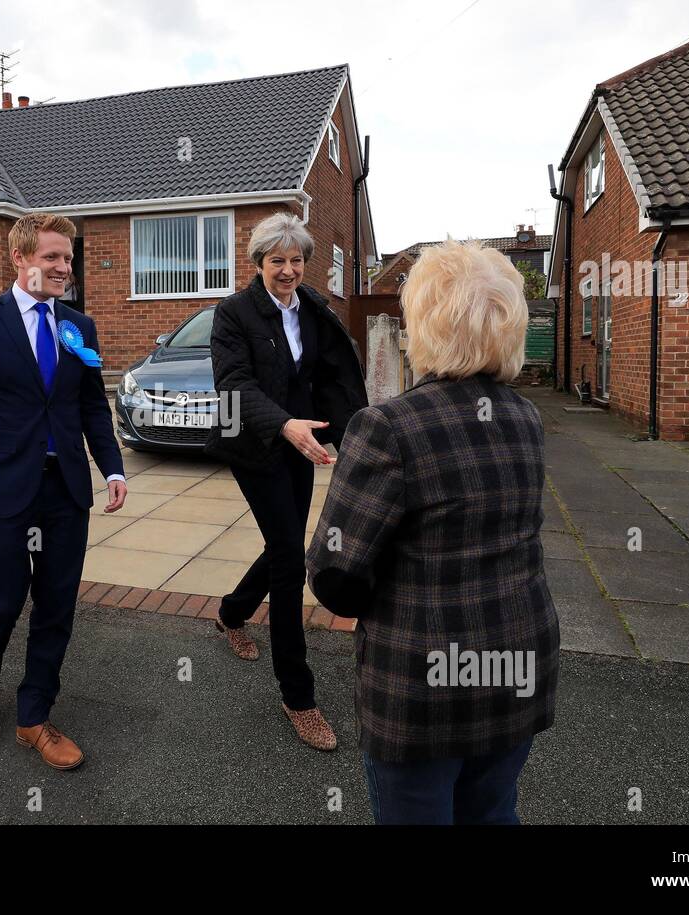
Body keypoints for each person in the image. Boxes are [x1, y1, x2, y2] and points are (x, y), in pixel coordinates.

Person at [306, 239, 560, 824]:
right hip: (518, 660)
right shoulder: (526, 418)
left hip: (423, 686)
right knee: (493, 812)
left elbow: (335, 574)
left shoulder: (388, 427)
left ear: (423, 321)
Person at [0, 213, 127, 770]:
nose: (63, 267)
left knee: (56, 606)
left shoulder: (79, 327)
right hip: (3, 490)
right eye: (52, 257)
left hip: (65, 489)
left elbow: (92, 404)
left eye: (68, 258)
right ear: (19, 259)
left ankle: (34, 716)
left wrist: (112, 469)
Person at [204, 211, 367, 751]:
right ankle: (298, 697)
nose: (289, 270)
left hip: (303, 443)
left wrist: (352, 438)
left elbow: (334, 374)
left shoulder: (312, 310)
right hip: (255, 446)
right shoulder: (233, 314)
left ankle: (231, 613)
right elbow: (232, 386)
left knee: (284, 550)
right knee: (289, 560)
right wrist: (282, 424)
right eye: (278, 261)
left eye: (297, 260)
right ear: (259, 263)